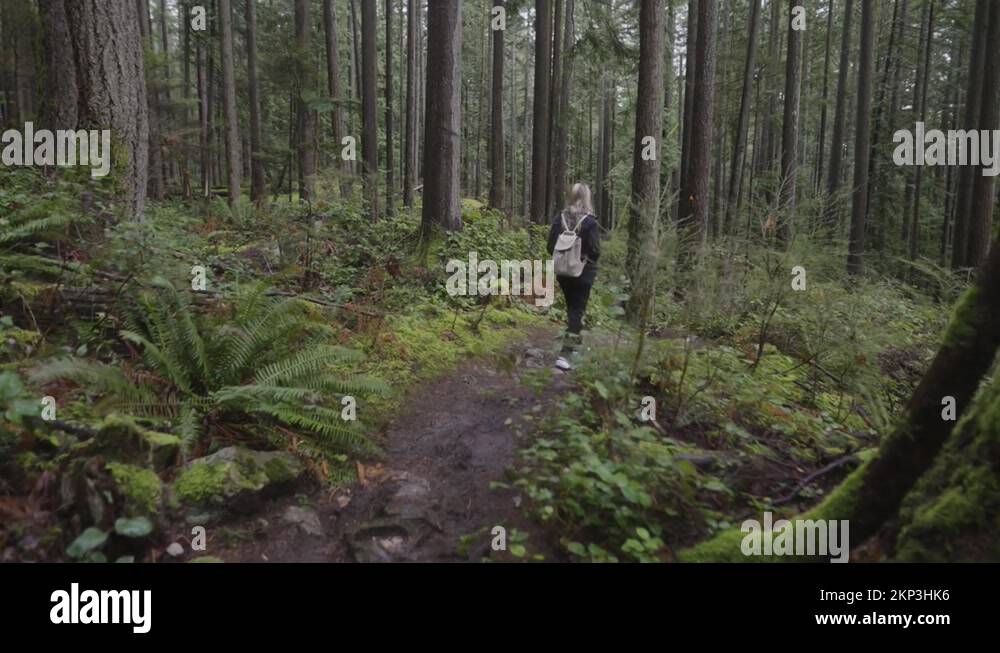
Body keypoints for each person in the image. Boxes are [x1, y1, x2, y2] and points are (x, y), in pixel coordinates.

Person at [546, 183, 600, 371]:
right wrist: (585, 260)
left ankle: (575, 347)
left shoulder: (559, 218)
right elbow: (594, 251)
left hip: (563, 273)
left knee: (573, 310)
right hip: (583, 273)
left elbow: (550, 246)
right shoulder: (590, 222)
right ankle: (565, 355)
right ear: (587, 198)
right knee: (577, 311)